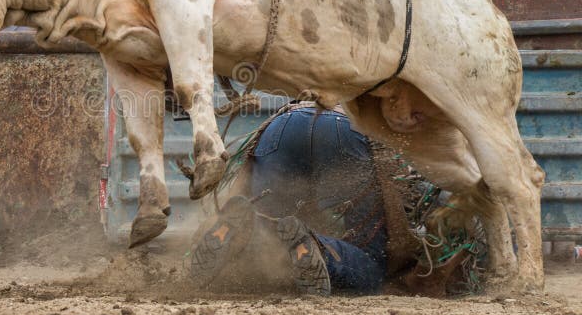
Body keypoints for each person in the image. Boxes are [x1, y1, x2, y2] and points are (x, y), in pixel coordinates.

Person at [189, 104, 481, 296]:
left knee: (267, 231)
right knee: (371, 264)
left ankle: (233, 231)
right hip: (348, 127)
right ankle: (317, 247)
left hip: (282, 125)